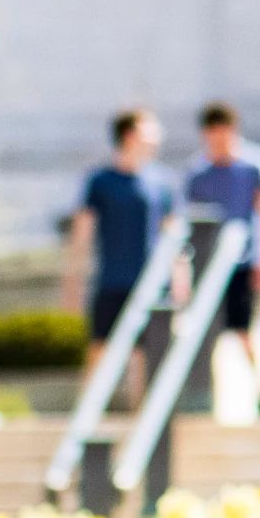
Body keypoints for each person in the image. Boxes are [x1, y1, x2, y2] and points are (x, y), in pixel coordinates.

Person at [175, 103, 260, 421]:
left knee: (242, 330)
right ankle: (205, 399)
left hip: (242, 262)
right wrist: (181, 271)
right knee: (203, 334)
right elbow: (185, 224)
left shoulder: (254, 166)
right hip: (205, 265)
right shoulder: (197, 173)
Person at [61, 106, 176, 357]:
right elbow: (82, 234)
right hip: (112, 284)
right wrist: (73, 283)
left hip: (151, 285)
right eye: (150, 130)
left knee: (143, 357)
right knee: (99, 351)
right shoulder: (100, 181)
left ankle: (138, 399)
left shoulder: (162, 182)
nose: (157, 136)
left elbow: (174, 237)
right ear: (130, 135)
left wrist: (180, 283)